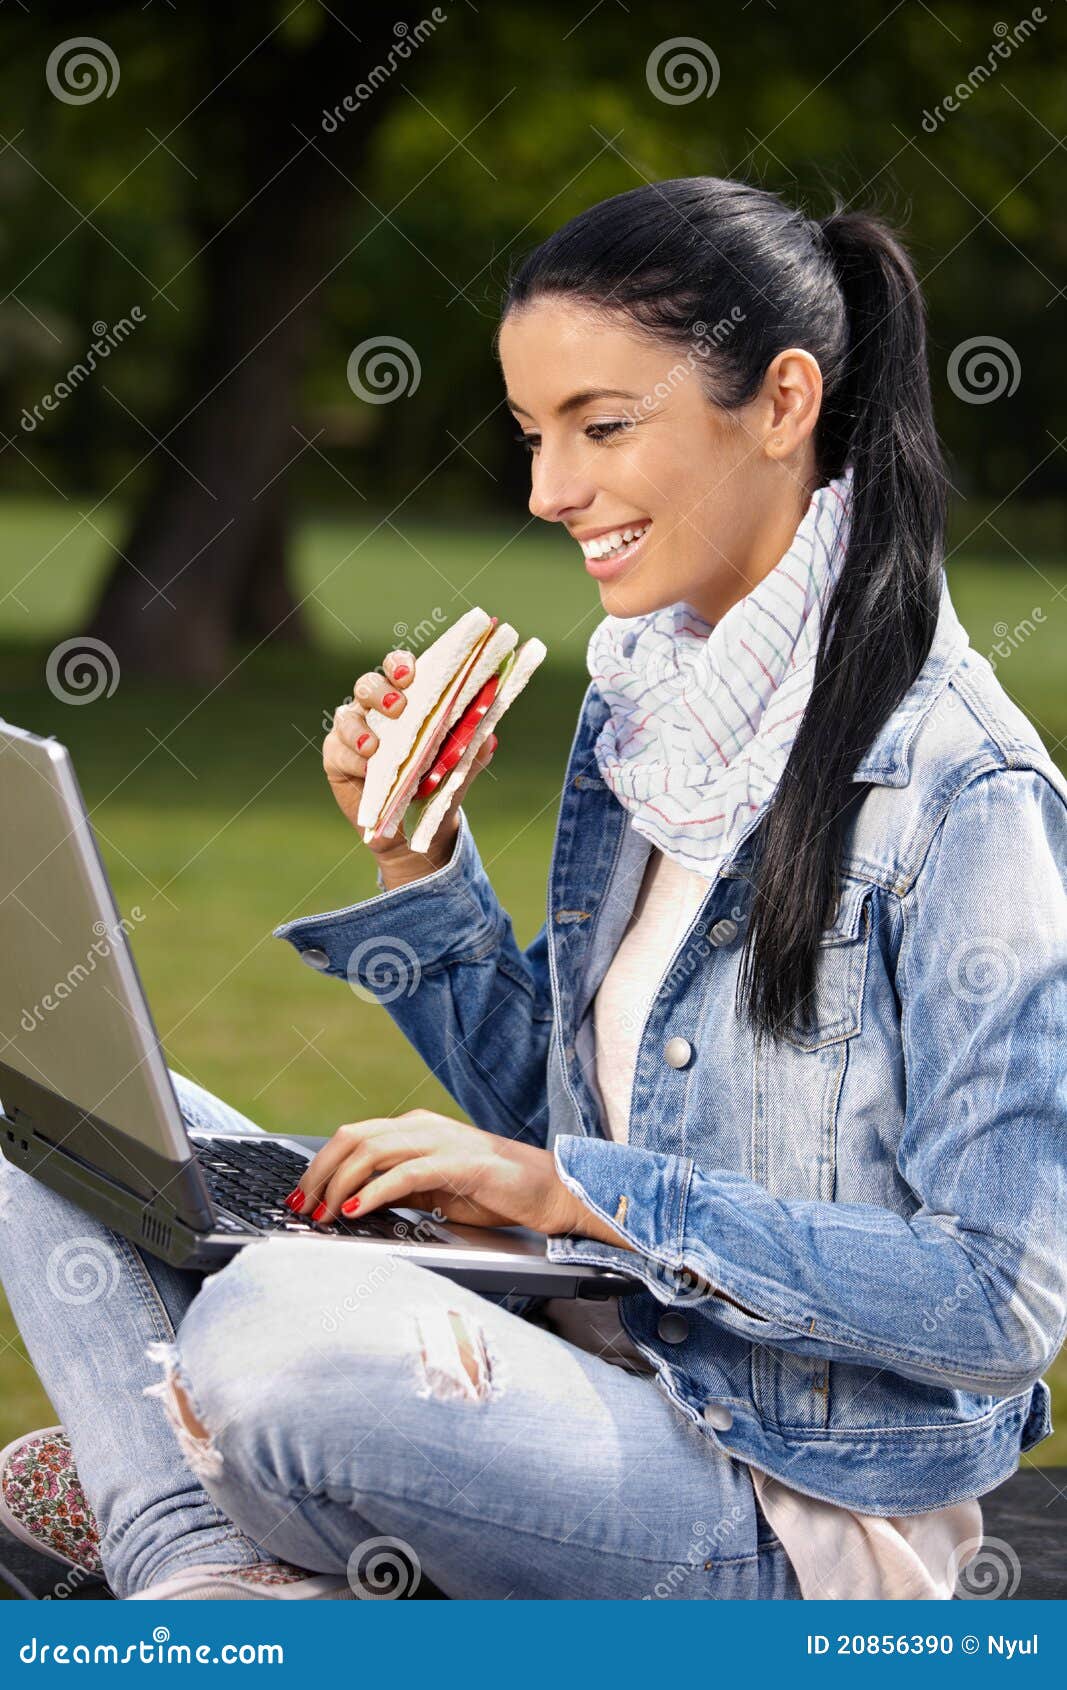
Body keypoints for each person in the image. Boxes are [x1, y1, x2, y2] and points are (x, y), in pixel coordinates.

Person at [1, 177, 1065, 1602]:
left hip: (782, 1507)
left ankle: (191, 1516)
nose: (549, 492)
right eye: (532, 434)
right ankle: (206, 1564)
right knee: (52, 1123)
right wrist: (418, 859)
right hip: (569, 1360)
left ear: (783, 402)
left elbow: (999, 1296)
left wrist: (579, 1194)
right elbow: (552, 1122)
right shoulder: (658, 704)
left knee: (267, 1342)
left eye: (601, 427)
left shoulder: (963, 787)